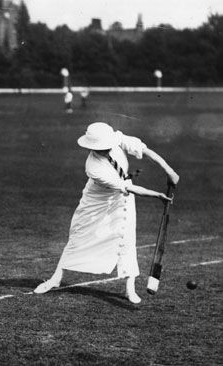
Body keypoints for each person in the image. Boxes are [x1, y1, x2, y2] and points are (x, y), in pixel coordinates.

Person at [34, 122, 179, 303]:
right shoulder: (93, 167)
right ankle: (55, 279)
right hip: (97, 200)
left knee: (126, 238)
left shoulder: (116, 138)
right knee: (78, 237)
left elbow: (145, 150)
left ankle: (130, 288)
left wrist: (169, 170)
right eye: (100, 147)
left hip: (123, 197)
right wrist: (158, 195)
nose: (105, 150)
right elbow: (127, 187)